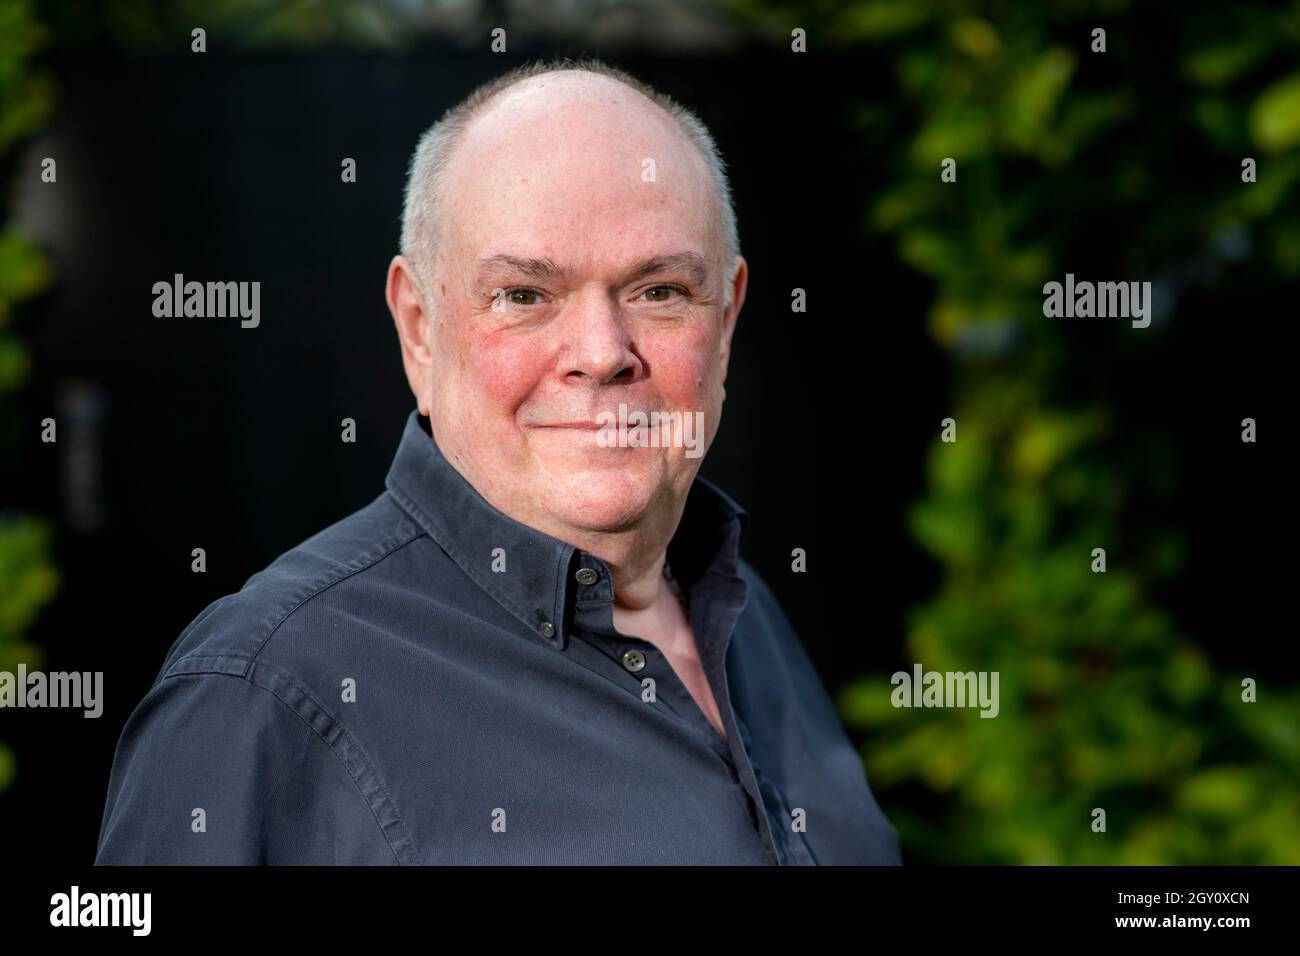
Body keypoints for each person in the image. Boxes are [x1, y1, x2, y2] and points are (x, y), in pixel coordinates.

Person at [95, 57, 901, 865]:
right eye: (524, 295)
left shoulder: (745, 613)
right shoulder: (259, 699)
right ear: (418, 325)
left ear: (725, 324)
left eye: (659, 291)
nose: (600, 354)